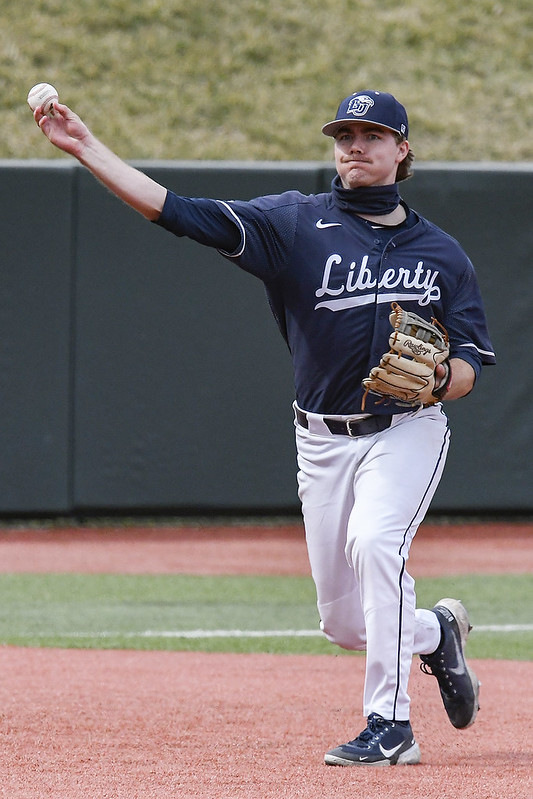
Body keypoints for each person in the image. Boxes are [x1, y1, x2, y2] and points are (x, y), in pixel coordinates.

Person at [34, 89, 495, 766]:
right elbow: (176, 212)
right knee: (343, 623)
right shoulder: (293, 224)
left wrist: (437, 379)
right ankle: (436, 634)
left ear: (402, 150)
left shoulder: (441, 253)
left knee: (376, 542)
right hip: (320, 439)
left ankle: (389, 725)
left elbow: (471, 362)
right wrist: (87, 148)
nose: (354, 145)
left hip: (405, 430)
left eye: (371, 134)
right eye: (344, 133)